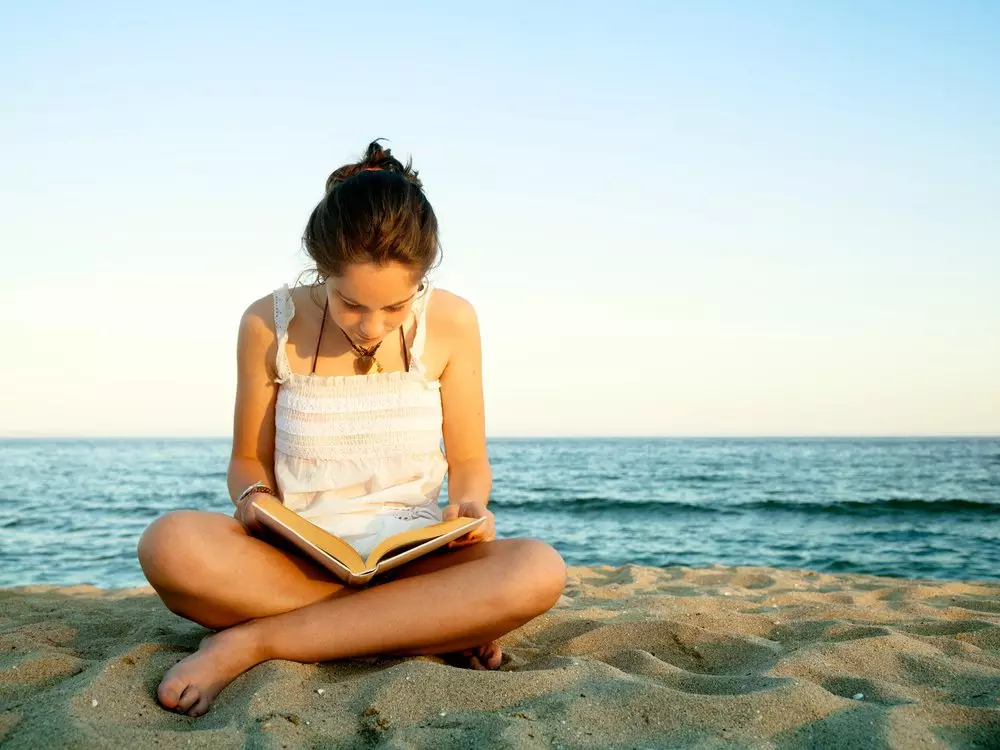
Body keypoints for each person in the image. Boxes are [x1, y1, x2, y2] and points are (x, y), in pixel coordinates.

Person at [137, 141, 568, 717]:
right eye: (351, 304)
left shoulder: (452, 320)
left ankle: (255, 640)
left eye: (395, 307)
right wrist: (254, 499)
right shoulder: (268, 322)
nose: (372, 326)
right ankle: (420, 624)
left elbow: (468, 461)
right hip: (296, 560)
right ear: (322, 269)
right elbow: (246, 459)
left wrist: (469, 508)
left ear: (422, 278)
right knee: (170, 544)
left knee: (537, 570)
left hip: (413, 558)